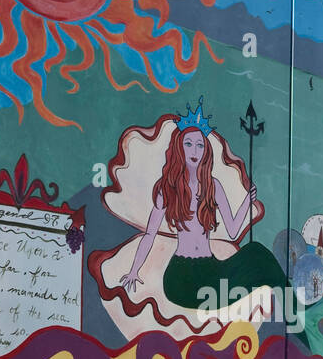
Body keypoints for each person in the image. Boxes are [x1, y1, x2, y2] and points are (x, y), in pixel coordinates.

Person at [120, 102, 286, 310]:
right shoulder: (168, 188)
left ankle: (298, 313)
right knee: (257, 273)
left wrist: (246, 203)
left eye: (200, 145)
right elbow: (149, 234)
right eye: (188, 144)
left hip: (210, 270)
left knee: (256, 253)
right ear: (179, 147)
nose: (194, 150)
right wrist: (134, 270)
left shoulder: (213, 186)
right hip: (180, 278)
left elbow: (233, 232)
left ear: (206, 151)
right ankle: (296, 316)